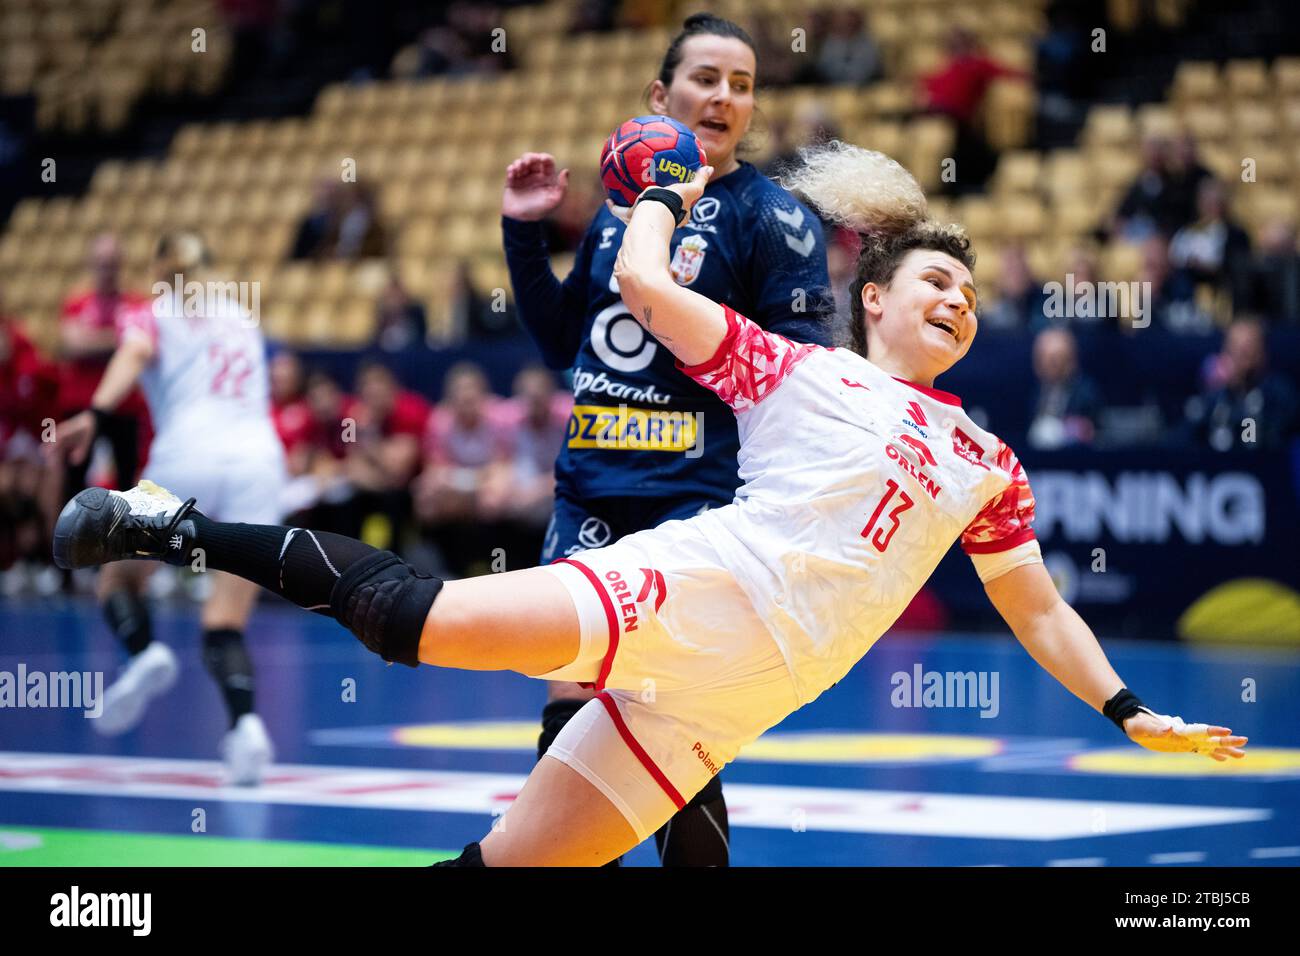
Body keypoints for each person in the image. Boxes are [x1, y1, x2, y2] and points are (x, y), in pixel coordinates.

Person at [54, 143, 1249, 867]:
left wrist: (1127, 705)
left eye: (972, 293)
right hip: (692, 589)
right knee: (417, 625)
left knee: (513, 860)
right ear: (872, 300)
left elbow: (1038, 610)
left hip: (737, 697)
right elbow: (634, 278)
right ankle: (173, 525)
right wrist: (661, 189)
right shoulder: (795, 367)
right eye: (936, 279)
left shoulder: (988, 458)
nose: (960, 300)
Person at [499, 12, 834, 865]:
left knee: (670, 722)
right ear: (661, 96)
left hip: (696, 503)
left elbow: (807, 380)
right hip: (589, 495)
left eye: (743, 84)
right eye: (706, 79)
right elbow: (562, 341)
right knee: (571, 702)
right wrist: (524, 231)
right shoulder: (624, 209)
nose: (725, 97)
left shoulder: (775, 219)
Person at [50, 231, 285, 784]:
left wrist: (95, 415)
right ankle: (247, 728)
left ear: (160, 269)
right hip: (259, 462)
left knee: (117, 579)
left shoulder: (151, 312)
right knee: (225, 619)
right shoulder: (240, 314)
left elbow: (132, 355)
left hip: (186, 458)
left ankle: (145, 652)